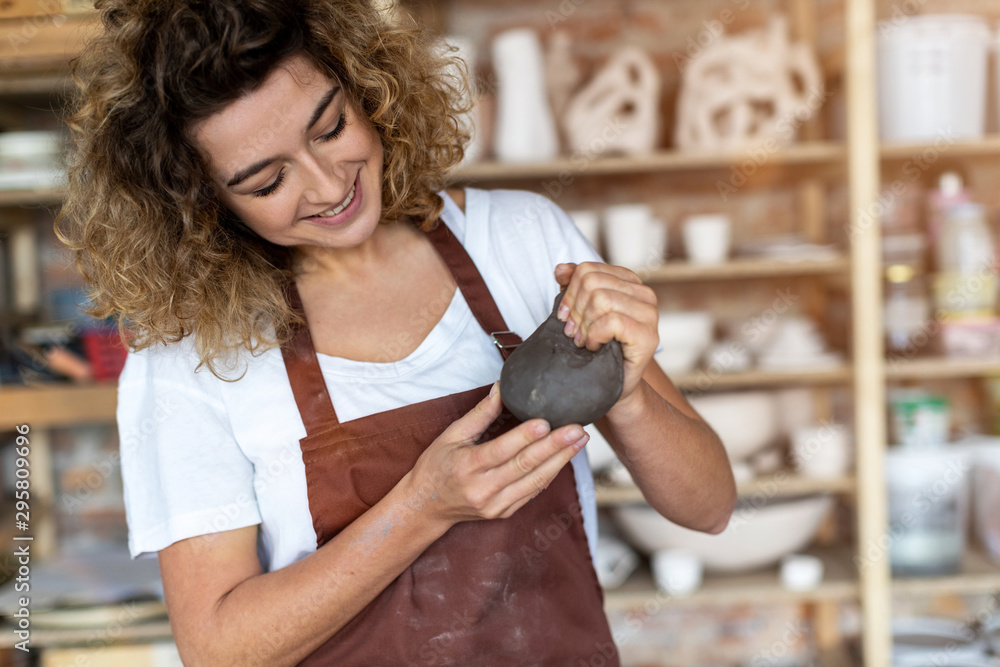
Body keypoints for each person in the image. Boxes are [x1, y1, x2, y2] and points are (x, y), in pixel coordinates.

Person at [55, 1, 736, 665]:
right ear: (202, 202)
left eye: (329, 128)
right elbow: (218, 646)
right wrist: (421, 507)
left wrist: (628, 390)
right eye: (267, 180)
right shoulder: (193, 352)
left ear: (366, 87)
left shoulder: (521, 240)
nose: (327, 186)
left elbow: (709, 506)